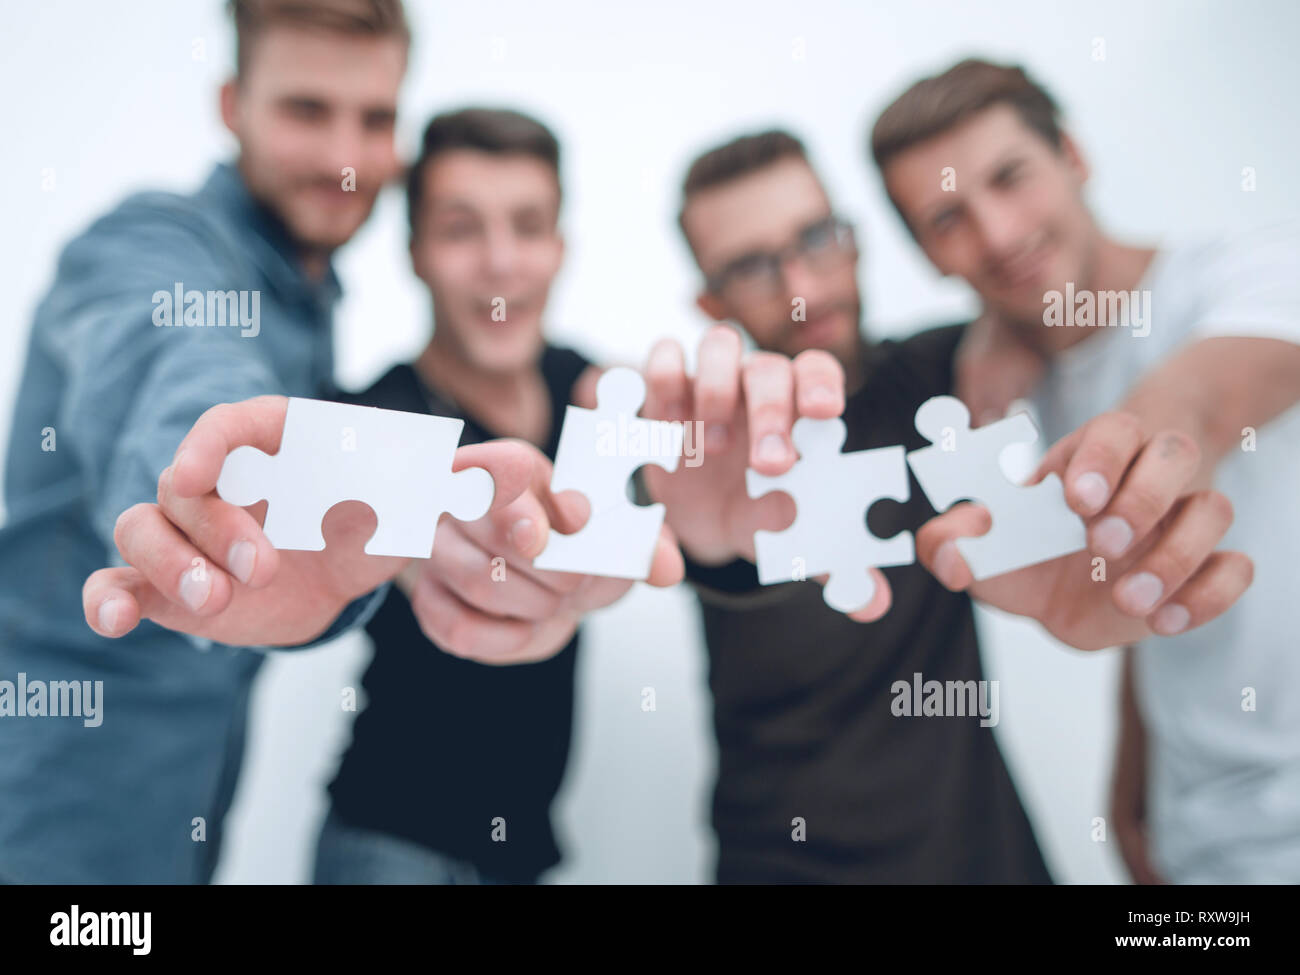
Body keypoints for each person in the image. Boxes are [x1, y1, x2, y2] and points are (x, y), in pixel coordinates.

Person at [1, 0, 677, 884]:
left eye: (376, 119)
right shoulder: (149, 249)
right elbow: (176, 371)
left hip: (175, 829)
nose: (346, 159)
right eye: (306, 111)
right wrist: (225, 482)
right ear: (231, 103)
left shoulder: (313, 311)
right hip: (45, 817)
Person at [871, 57, 1297, 882]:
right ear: (926, 253)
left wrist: (1131, 455)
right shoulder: (1021, 381)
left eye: (1011, 177)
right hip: (1196, 846)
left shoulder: (1258, 274)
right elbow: (1148, 597)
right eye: (948, 217)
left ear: (1073, 154)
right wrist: (1132, 780)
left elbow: (1200, 404)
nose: (997, 235)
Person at [315, 107, 601, 885]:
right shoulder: (376, 418)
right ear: (415, 253)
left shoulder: (593, 394)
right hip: (390, 846)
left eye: (528, 225)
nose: (500, 262)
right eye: (460, 228)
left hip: (524, 858)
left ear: (559, 248)